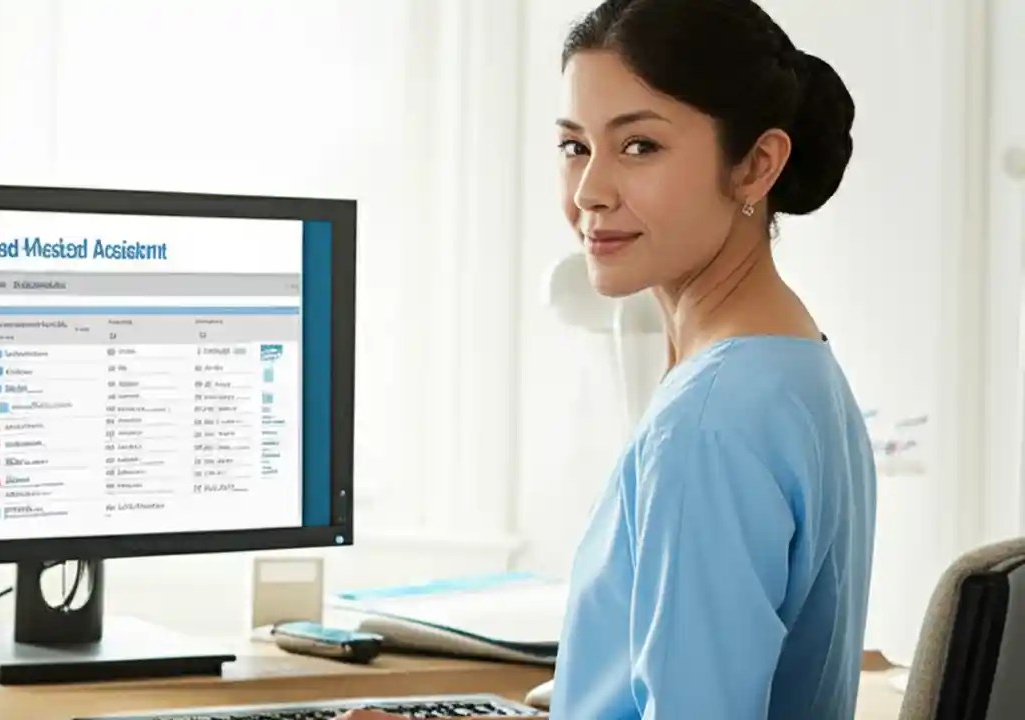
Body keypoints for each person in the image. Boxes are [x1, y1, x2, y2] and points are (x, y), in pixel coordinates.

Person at [339, 0, 875, 718]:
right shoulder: (799, 371)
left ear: (755, 166)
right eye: (574, 146)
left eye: (638, 147)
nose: (589, 191)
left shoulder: (708, 423)